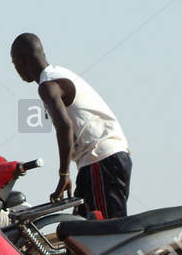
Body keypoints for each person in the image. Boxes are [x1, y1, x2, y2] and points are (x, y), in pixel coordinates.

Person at [10, 32, 131, 219]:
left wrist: (63, 174)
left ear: (22, 61)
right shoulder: (58, 74)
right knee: (81, 232)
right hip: (99, 162)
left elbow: (65, 127)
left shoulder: (47, 85)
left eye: (14, 63)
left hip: (101, 161)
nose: (15, 69)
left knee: (109, 233)